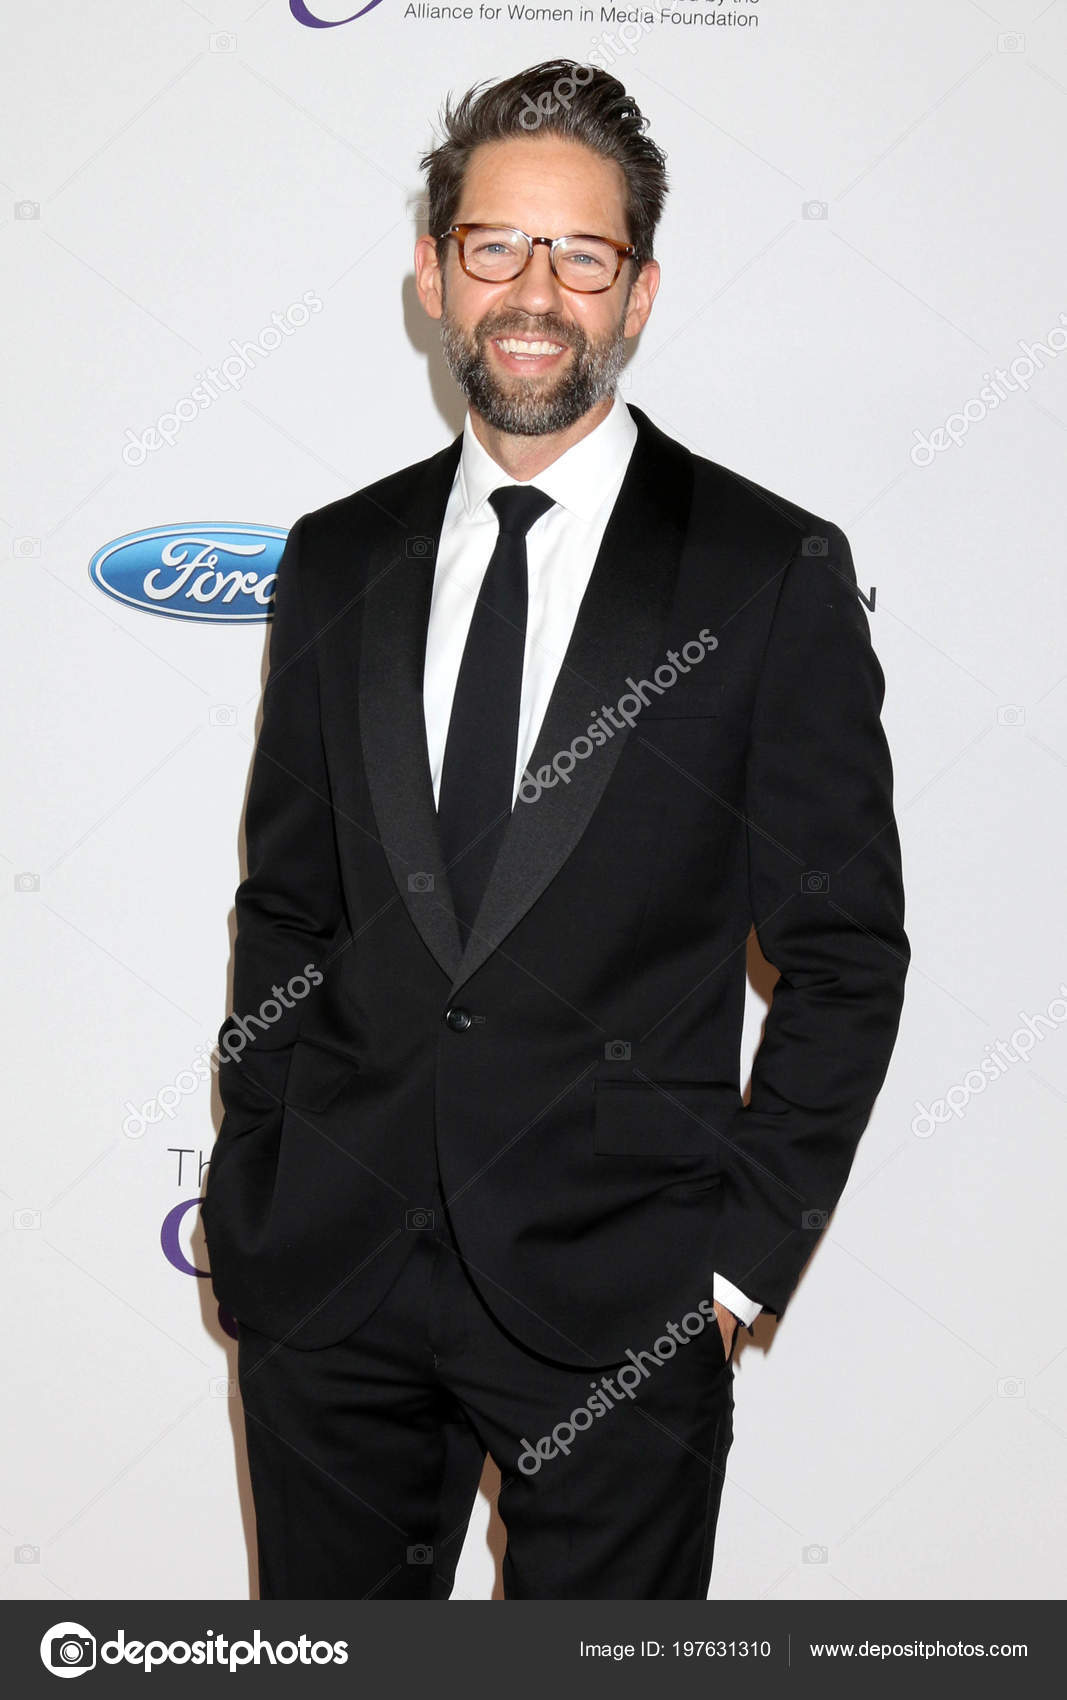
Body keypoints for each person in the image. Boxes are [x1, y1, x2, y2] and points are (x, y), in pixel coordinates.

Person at [201, 58, 910, 1601]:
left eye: (582, 255)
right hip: (331, 1287)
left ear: (638, 293)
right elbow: (290, 905)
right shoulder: (340, 559)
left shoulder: (763, 568)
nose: (537, 291)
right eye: (498, 246)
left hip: (623, 1303)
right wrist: (259, 1171)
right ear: (433, 271)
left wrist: (727, 1272)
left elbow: (845, 954)